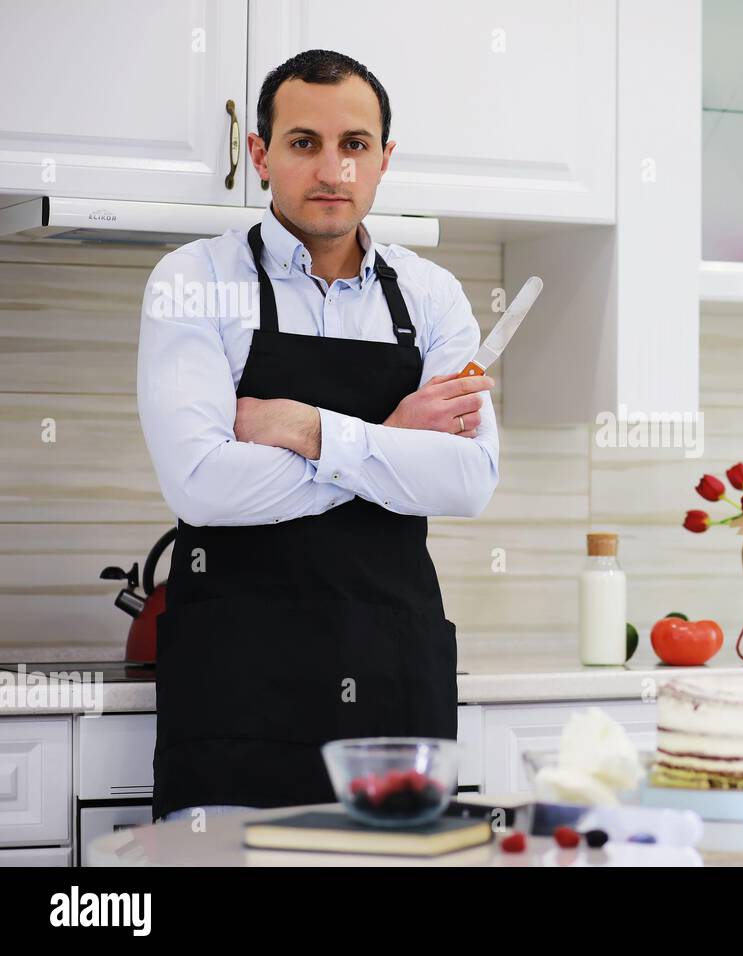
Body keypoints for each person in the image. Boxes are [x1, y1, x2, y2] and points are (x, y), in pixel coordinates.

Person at [137, 49, 499, 824]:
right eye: (304, 143)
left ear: (383, 160)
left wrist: (306, 429)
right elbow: (201, 485)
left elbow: (467, 482)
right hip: (237, 688)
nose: (332, 168)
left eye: (354, 145)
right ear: (262, 155)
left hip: (395, 683)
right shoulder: (193, 280)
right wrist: (392, 440)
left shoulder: (433, 296)